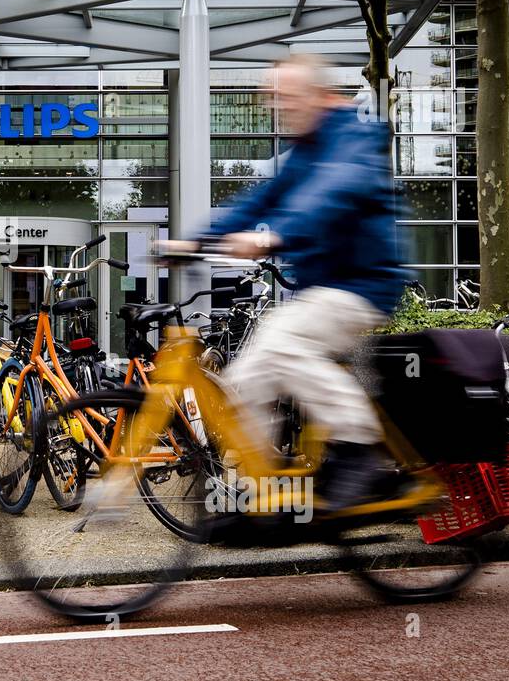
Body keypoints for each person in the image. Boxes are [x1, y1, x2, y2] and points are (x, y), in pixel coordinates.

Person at [163, 53, 405, 510]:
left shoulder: (355, 134)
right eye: (273, 100)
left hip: (363, 286)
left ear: (318, 94)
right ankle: (266, 491)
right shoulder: (306, 152)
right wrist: (194, 242)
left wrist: (277, 235)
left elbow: (333, 194)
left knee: (281, 339)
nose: (279, 108)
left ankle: (360, 452)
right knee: (247, 377)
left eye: (287, 98)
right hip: (321, 292)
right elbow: (259, 200)